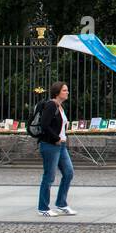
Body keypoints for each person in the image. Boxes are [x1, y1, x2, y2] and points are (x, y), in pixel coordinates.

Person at [37, 82, 78, 216]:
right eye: (65, 90)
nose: (67, 92)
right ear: (57, 92)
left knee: (69, 172)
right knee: (49, 176)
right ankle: (43, 208)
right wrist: (56, 138)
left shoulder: (60, 107)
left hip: (61, 146)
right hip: (50, 145)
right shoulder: (51, 105)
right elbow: (44, 125)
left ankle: (61, 203)